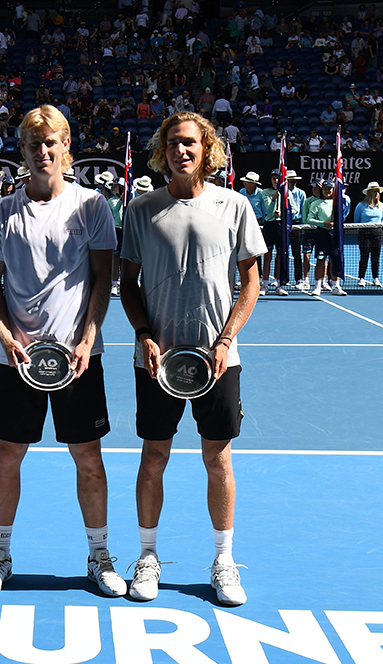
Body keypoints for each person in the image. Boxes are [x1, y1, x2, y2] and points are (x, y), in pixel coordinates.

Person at [0, 105, 126, 598]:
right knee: (7, 457)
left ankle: (99, 555)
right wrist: (5, 336)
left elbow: (103, 277)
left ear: (66, 148)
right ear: (22, 150)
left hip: (78, 359)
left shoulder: (91, 206)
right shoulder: (2, 213)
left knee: (89, 459)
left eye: (51, 142)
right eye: (34, 143)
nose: (42, 151)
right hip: (17, 360)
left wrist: (88, 338)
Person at [119, 111, 266, 606]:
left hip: (218, 359)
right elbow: (127, 284)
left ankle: (224, 561)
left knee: (217, 459)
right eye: (172, 143)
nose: (181, 151)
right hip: (156, 362)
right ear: (162, 151)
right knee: (153, 456)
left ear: (206, 149)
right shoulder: (141, 209)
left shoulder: (234, 205)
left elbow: (251, 283)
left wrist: (225, 340)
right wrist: (143, 334)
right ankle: (147, 557)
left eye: (189, 143)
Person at [306, 179, 346, 296]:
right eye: (325, 189)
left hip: (335, 234)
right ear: (322, 190)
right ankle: (317, 287)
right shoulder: (315, 204)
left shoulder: (337, 203)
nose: (327, 191)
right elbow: (309, 219)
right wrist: (324, 223)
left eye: (330, 189)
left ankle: (336, 286)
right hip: (322, 234)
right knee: (320, 260)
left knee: (334, 260)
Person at [259, 170, 289, 296]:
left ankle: (279, 284)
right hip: (269, 225)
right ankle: (265, 285)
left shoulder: (287, 193)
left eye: (278, 178)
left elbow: (293, 209)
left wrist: (283, 213)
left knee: (280, 256)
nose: (276, 181)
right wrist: (274, 198)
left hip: (281, 227)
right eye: (274, 178)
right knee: (267, 256)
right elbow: (268, 209)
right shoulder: (265, 192)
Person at [354, 181, 383, 286]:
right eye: (374, 191)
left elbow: (382, 220)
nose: (376, 193)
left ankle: (375, 278)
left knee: (376, 257)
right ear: (369, 192)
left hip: (377, 232)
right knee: (364, 256)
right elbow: (356, 220)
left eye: (378, 191)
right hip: (364, 233)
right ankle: (361, 278)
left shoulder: (382, 206)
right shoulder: (361, 206)